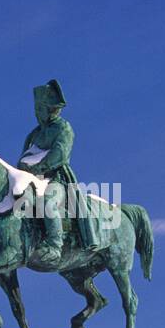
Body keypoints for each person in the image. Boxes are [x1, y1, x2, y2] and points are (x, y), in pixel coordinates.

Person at [17, 79, 100, 266]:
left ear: (49, 109)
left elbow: (60, 154)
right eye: (36, 109)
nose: (37, 113)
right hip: (30, 179)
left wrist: (39, 168)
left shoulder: (63, 128)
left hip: (56, 178)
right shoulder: (33, 135)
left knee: (48, 199)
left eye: (39, 109)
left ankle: (54, 245)